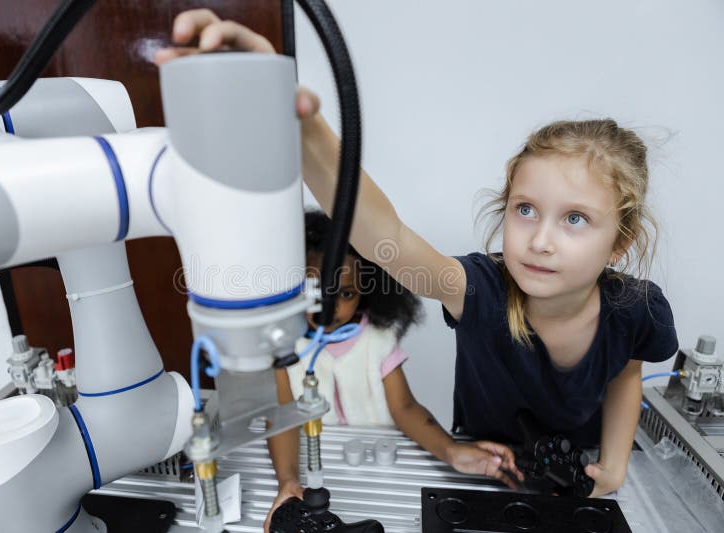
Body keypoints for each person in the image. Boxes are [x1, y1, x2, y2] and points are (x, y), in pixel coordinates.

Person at [155, 8, 679, 500]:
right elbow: (387, 238)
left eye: (575, 219)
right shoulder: (478, 289)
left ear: (622, 240)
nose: (540, 239)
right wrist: (299, 122)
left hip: (577, 479)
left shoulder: (639, 308)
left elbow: (625, 375)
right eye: (525, 210)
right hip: (483, 475)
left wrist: (611, 467)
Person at [262, 210, 521, 527]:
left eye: (345, 293)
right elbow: (283, 416)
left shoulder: (377, 340)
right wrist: (287, 481)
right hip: (315, 470)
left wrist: (452, 451)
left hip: (381, 469)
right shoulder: (285, 347)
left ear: (366, 289)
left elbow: (405, 407)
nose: (331, 307)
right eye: (316, 292)